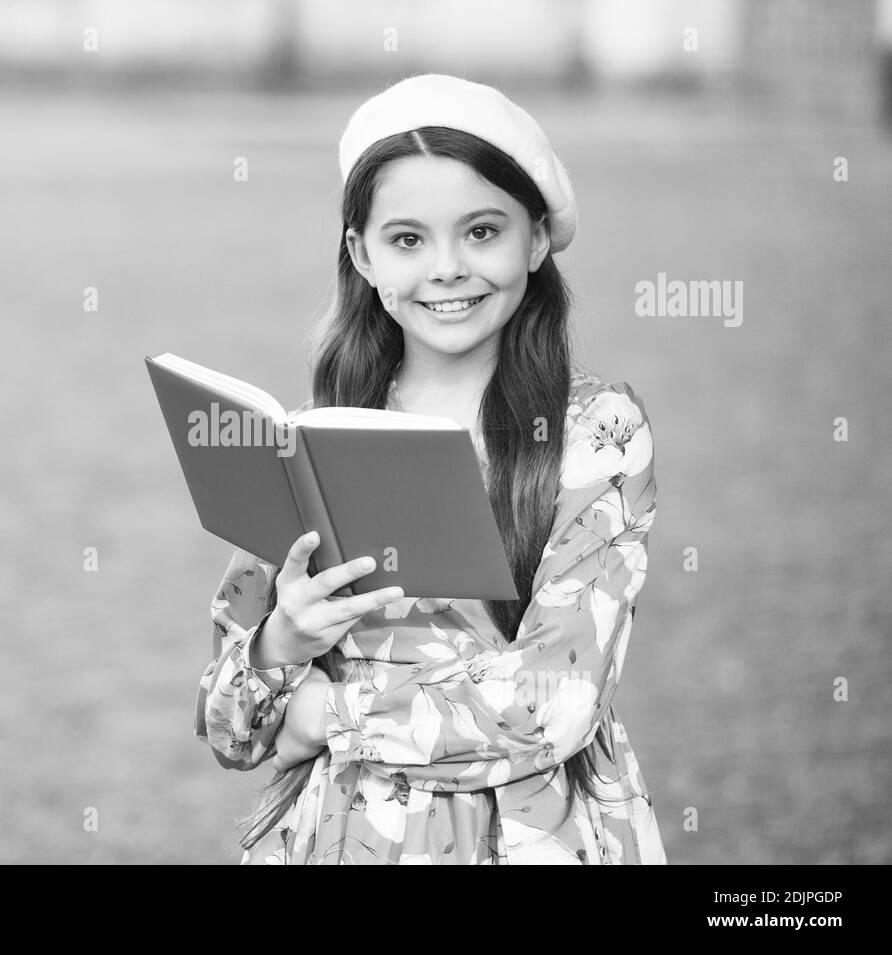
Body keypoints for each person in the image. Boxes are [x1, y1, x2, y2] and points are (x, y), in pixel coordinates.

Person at [193, 74, 667, 864]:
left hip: (529, 838)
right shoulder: (318, 439)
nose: (447, 268)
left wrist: (325, 714)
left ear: (538, 239)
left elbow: (552, 703)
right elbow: (229, 729)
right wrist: (281, 640)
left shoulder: (599, 434)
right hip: (339, 840)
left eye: (482, 231)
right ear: (362, 255)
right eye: (408, 240)